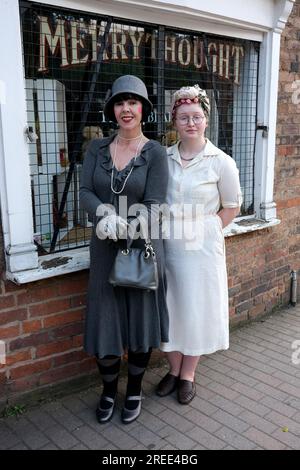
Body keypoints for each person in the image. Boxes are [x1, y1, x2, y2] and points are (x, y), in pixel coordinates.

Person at [80, 75, 169, 424]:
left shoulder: (156, 153)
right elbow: (86, 190)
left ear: (144, 109)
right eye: (120, 102)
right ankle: (107, 390)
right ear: (112, 110)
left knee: (139, 323)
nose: (126, 108)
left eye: (133, 102)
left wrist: (129, 223)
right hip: (104, 252)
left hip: (141, 250)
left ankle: (133, 389)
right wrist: (102, 212)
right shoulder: (96, 149)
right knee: (105, 321)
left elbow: (156, 202)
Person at [156, 85, 242, 405]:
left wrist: (204, 232)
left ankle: (188, 374)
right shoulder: (162, 158)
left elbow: (231, 207)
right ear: (174, 121)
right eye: (183, 117)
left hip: (201, 250)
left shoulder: (221, 162)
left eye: (197, 117)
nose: (190, 123)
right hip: (167, 246)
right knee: (169, 308)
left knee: (194, 309)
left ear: (206, 120)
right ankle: (173, 369)